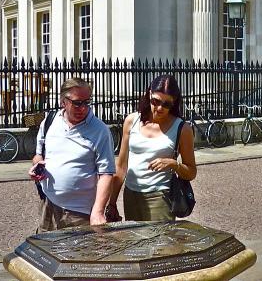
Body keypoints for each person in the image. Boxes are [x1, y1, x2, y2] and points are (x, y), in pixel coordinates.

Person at [30, 77, 116, 231]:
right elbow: (38, 155)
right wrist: (37, 165)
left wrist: (98, 211)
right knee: (45, 251)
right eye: (77, 103)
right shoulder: (49, 121)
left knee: (78, 254)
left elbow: (106, 174)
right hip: (49, 204)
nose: (83, 108)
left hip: (79, 212)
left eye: (86, 102)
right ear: (63, 101)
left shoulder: (100, 130)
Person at [110, 75, 197, 221]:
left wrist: (174, 164)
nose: (160, 108)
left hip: (160, 196)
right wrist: (111, 203)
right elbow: (121, 166)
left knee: (159, 243)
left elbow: (191, 172)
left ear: (174, 102)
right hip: (131, 194)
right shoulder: (132, 121)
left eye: (166, 104)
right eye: (155, 101)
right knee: (134, 242)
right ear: (149, 94)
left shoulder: (182, 129)